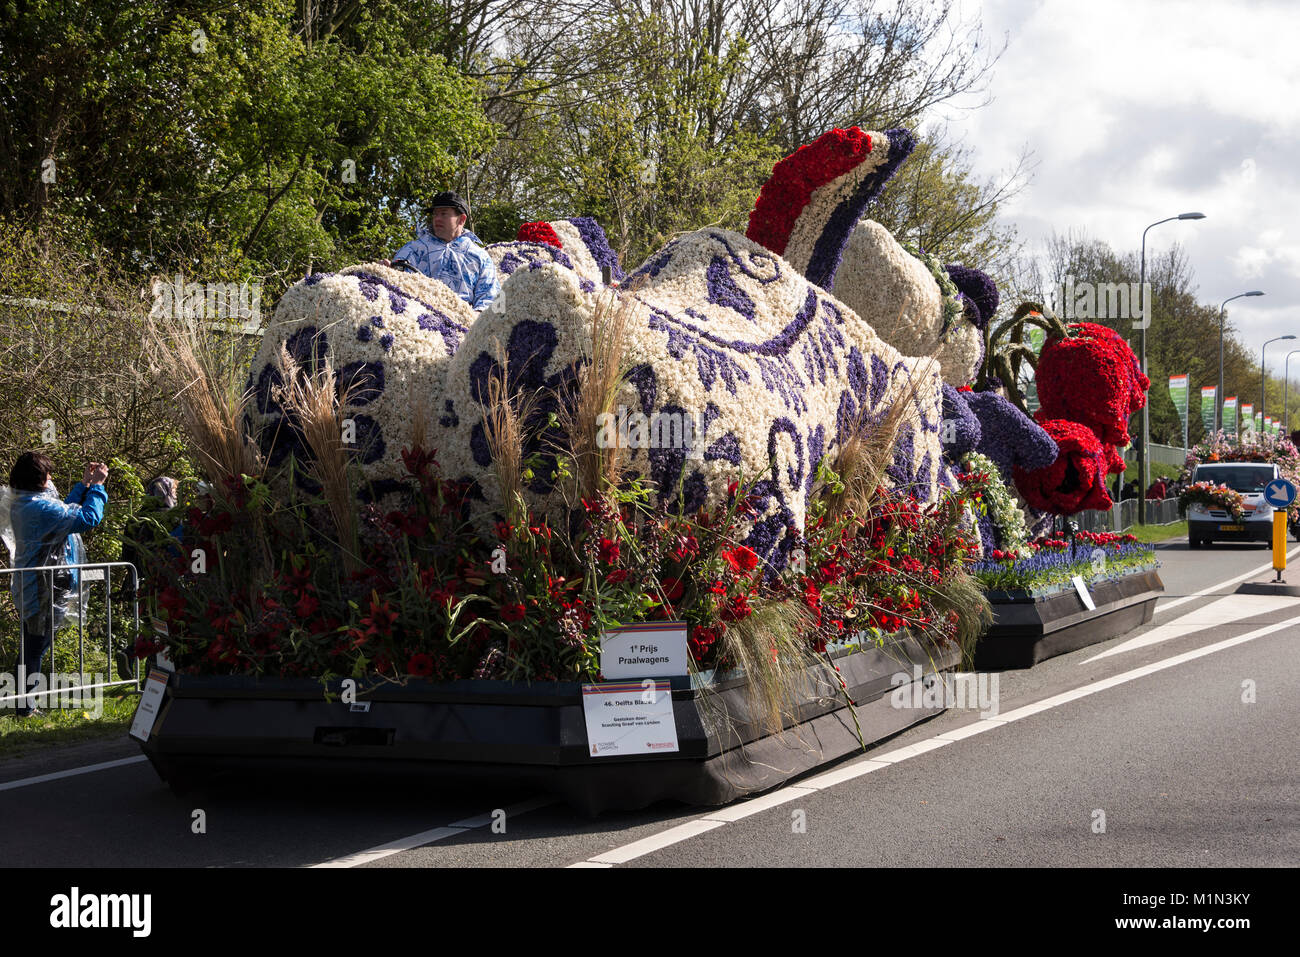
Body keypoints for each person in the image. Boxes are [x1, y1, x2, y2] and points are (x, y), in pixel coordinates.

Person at [6, 452, 108, 716]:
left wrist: (83, 485)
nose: (51, 479)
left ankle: (21, 701)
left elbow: (64, 514)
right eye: (48, 474)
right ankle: (25, 707)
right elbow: (87, 519)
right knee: (36, 646)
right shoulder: (38, 508)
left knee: (31, 644)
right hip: (44, 588)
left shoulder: (26, 503)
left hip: (34, 583)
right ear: (39, 479)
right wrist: (97, 487)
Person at [387, 191, 500, 311]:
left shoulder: (480, 256)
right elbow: (397, 283)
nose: (437, 219)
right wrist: (386, 271)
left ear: (462, 219)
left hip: (466, 323)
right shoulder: (413, 249)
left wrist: (475, 320)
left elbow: (492, 299)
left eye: (444, 214)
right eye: (435, 214)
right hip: (417, 317)